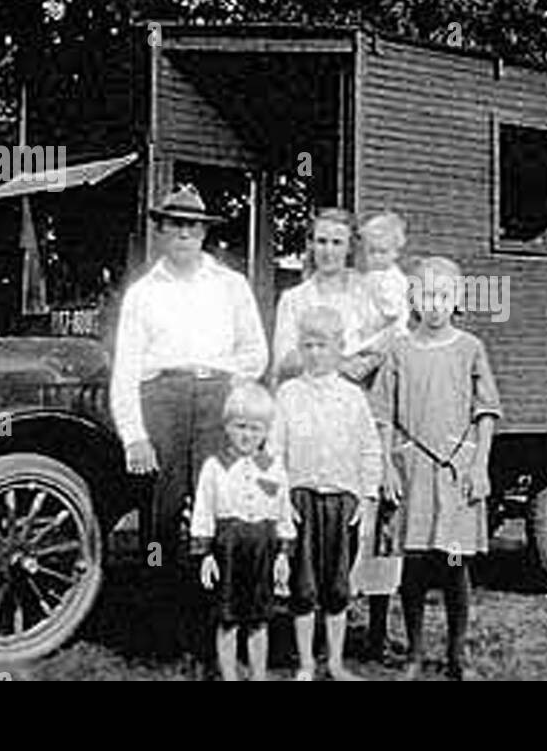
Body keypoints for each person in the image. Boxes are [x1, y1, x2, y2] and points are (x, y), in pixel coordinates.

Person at [109, 183, 269, 657]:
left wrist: (223, 386)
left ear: (204, 233)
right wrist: (135, 436)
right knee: (161, 515)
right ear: (160, 232)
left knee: (218, 509)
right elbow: (125, 370)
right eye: (174, 224)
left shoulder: (230, 286)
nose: (183, 233)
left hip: (217, 400)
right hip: (162, 398)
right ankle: (161, 629)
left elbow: (255, 352)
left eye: (192, 225)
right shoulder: (142, 293)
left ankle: (217, 627)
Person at [371, 256, 501, 681]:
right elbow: (383, 414)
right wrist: (387, 468)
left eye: (443, 295)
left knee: (453, 563)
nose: (435, 304)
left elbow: (487, 411)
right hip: (411, 469)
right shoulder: (399, 349)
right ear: (414, 299)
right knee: (413, 563)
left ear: (456, 299)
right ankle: (412, 653)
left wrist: (479, 466)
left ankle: (455, 655)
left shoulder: (470, 348)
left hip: (456, 470)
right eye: (427, 295)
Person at [270, 306, 382, 681]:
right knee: (303, 588)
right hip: (301, 502)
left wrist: (366, 501)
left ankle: (334, 662)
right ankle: (304, 663)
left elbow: (369, 450)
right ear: (300, 349)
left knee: (337, 587)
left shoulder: (352, 397)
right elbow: (272, 454)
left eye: (323, 345)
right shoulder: (288, 394)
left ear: (339, 349)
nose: (315, 353)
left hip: (341, 502)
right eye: (308, 345)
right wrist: (282, 500)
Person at [191, 382, 293, 681]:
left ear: (266, 432)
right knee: (228, 618)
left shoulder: (272, 468)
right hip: (228, 547)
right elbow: (203, 512)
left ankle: (258, 676)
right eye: (240, 426)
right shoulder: (215, 467)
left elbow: (282, 510)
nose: (247, 435)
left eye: (255, 429)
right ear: (227, 427)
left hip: (262, 546)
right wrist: (205, 554)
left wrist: (282, 556)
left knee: (259, 619)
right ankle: (229, 676)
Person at [270, 208, 380, 385]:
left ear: (349, 247)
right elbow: (285, 363)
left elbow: (386, 342)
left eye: (337, 243)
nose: (328, 251)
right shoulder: (294, 300)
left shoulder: (369, 294)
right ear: (311, 244)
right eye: (322, 241)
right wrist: (340, 364)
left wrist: (370, 361)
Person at [345, 211, 409, 359]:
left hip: (388, 335)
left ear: (395, 253)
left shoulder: (391, 279)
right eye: (371, 252)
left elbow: (391, 316)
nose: (377, 257)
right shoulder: (369, 276)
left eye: (383, 252)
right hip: (369, 334)